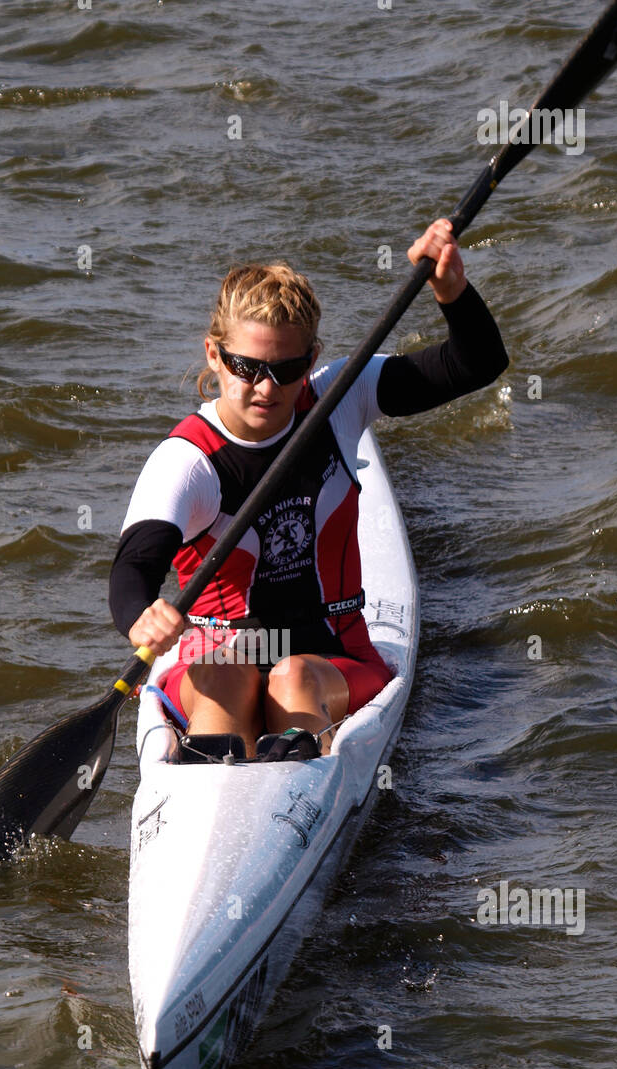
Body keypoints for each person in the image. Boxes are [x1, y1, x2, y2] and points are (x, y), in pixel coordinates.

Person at [108, 220, 508, 760]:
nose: (266, 388)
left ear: (312, 359)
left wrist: (452, 290)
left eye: (287, 368)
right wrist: (142, 612)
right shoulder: (187, 461)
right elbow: (134, 567)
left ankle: (285, 767)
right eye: (246, 367)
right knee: (227, 677)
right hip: (216, 657)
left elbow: (476, 363)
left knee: (293, 679)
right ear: (213, 354)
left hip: (332, 653)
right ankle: (220, 773)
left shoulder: (341, 397)